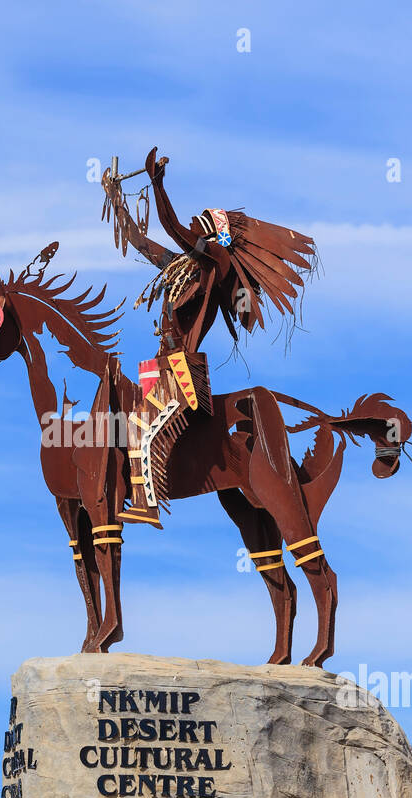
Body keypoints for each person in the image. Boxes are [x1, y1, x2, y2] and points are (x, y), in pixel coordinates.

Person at [100, 147, 319, 526]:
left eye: (203, 222)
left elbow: (172, 228)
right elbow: (138, 240)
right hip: (159, 366)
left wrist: (156, 184)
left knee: (138, 426)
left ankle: (147, 504)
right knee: (119, 419)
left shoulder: (214, 264)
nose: (194, 223)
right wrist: (114, 197)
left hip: (182, 371)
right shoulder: (178, 267)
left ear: (216, 236)